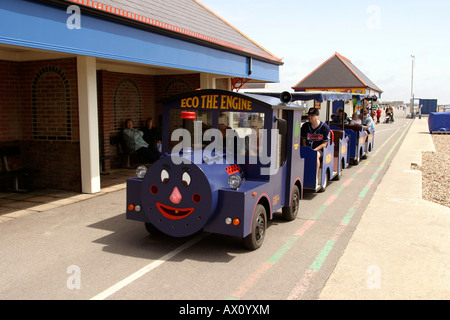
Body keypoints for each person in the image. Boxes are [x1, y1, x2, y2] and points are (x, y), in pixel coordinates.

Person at [301, 107, 330, 183]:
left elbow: (324, 143)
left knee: (315, 155)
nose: (309, 117)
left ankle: (316, 178)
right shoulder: (305, 126)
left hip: (319, 150)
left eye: (312, 115)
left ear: (317, 116)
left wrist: (313, 151)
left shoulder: (324, 127)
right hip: (307, 148)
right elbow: (303, 140)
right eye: (309, 115)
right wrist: (306, 149)